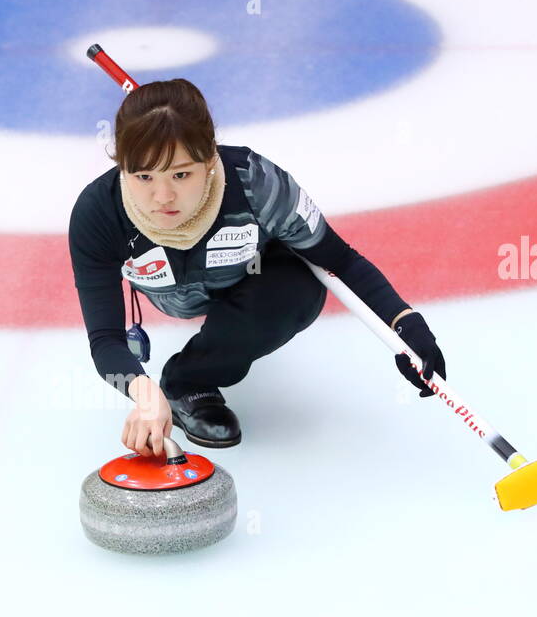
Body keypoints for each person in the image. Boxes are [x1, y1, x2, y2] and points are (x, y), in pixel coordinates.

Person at [68, 78, 446, 457]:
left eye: (181, 174)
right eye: (144, 176)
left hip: (252, 275)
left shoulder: (259, 184)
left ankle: (188, 380)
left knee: (301, 286)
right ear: (122, 167)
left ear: (210, 159)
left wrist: (405, 324)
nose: (162, 197)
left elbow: (340, 261)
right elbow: (106, 339)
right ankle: (170, 384)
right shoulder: (98, 212)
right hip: (172, 292)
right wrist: (144, 392)